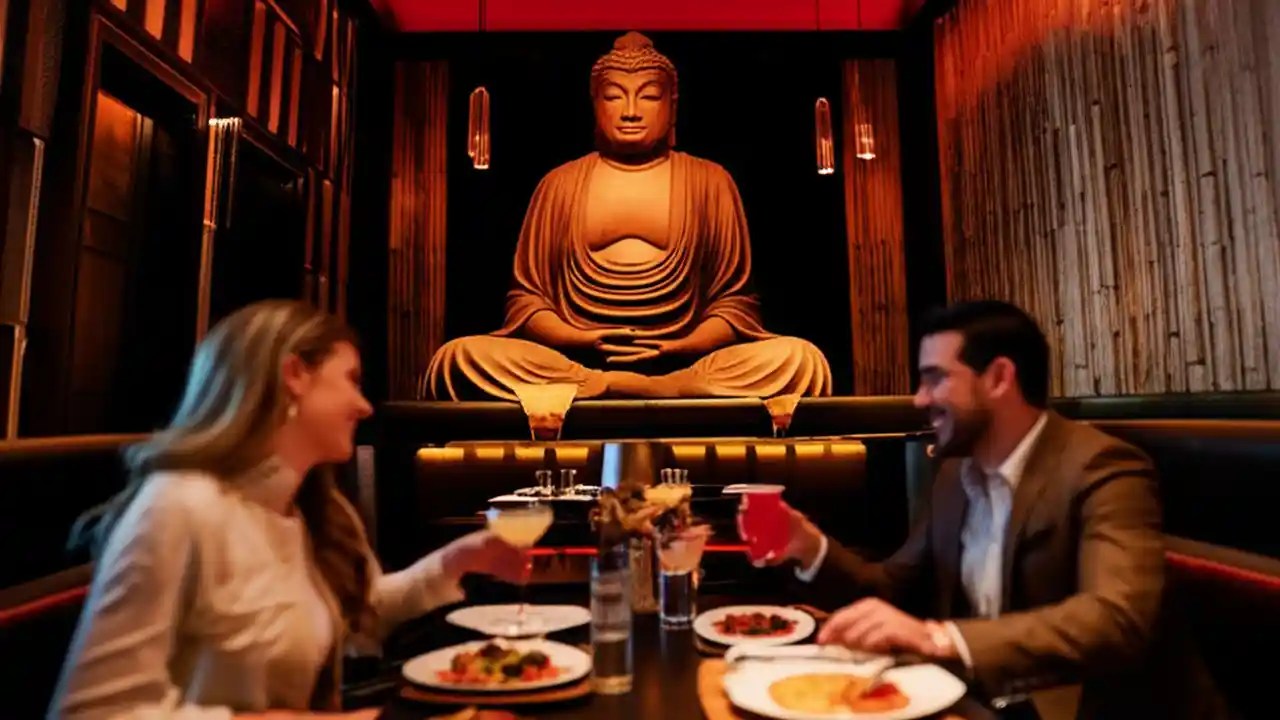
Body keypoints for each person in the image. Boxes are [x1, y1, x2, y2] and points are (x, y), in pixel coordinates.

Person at [50, 300, 526, 720]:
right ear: (294, 375)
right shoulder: (177, 505)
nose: (364, 406)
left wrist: (455, 561)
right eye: (351, 381)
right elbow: (93, 710)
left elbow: (358, 613)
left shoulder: (306, 508)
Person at [751, 300, 1223, 718]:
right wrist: (809, 547)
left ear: (999, 378)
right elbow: (893, 589)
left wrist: (942, 639)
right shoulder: (956, 476)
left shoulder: (1104, 467)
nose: (920, 399)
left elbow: (1115, 619)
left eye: (936, 379)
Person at [425, 32, 831, 400]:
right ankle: (601, 383)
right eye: (615, 96)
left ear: (672, 107)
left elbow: (734, 304)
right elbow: (526, 302)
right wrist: (581, 338)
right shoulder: (559, 184)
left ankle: (668, 386)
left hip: (686, 365)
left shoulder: (710, 181)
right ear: (594, 105)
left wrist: (682, 347)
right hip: (575, 364)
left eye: (650, 96)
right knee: (457, 359)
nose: (631, 110)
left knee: (800, 360)